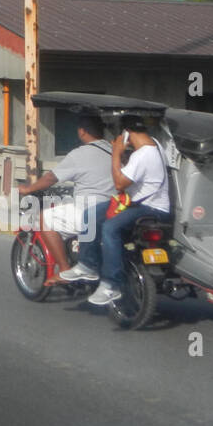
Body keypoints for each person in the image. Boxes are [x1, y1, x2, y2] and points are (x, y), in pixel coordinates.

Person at [17, 114, 113, 283]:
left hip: (88, 211)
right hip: (113, 210)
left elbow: (50, 178)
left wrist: (29, 189)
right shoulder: (113, 150)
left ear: (82, 132)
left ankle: (64, 270)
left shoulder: (79, 154)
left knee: (43, 219)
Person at [87, 117, 173, 306]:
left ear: (126, 133)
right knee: (95, 215)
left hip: (149, 208)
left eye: (120, 134)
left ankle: (110, 283)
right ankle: (93, 265)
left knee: (109, 228)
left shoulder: (142, 155)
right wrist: (125, 155)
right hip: (154, 207)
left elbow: (119, 184)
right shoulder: (155, 145)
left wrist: (116, 153)